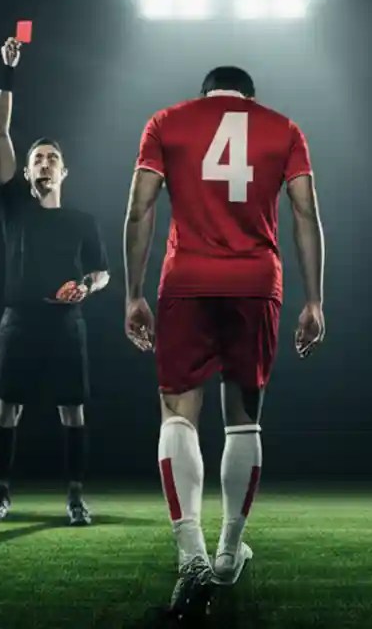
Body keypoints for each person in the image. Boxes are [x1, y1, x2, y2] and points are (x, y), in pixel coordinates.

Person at [122, 66, 326, 618]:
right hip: (256, 285)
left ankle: (191, 554)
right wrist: (314, 300)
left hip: (186, 281)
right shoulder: (282, 128)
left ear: (204, 94)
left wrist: (133, 294)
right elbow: (306, 212)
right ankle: (229, 551)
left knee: (178, 417)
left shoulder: (167, 121)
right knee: (244, 420)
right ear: (250, 97)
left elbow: (140, 208)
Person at [0, 36, 110, 526]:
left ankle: (75, 498)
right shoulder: (14, 206)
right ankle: (0, 494)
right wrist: (8, 73)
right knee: (7, 410)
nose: (42, 163)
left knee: (72, 412)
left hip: (65, 324)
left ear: (64, 171)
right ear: (27, 170)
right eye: (36, 158)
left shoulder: (81, 221)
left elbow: (101, 271)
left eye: (51, 158)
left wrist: (89, 287)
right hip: (18, 320)